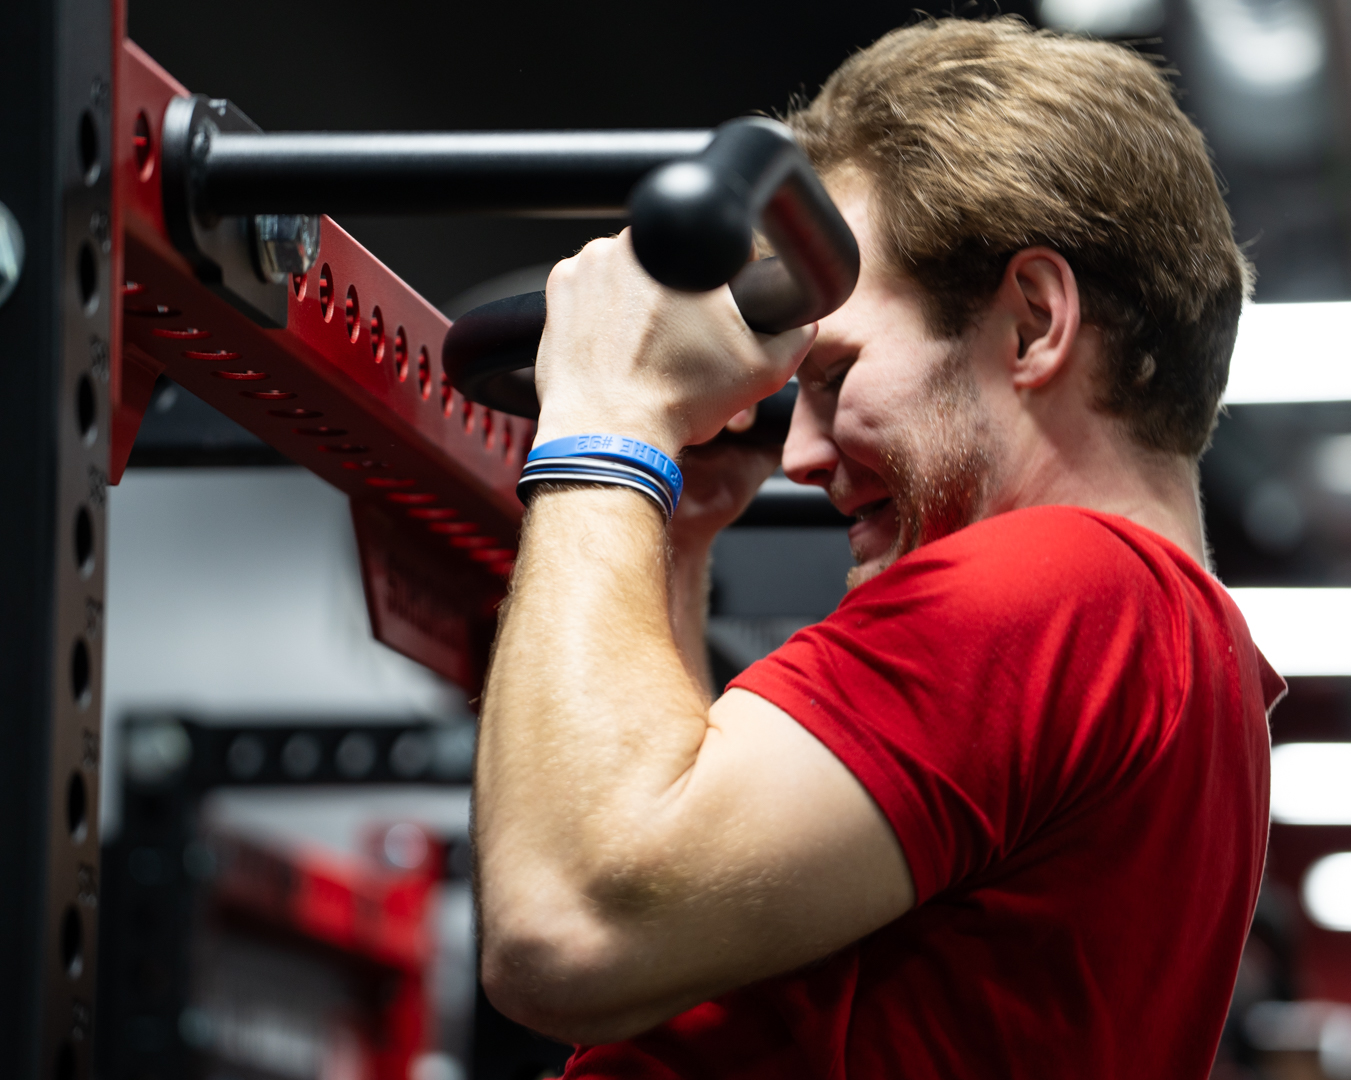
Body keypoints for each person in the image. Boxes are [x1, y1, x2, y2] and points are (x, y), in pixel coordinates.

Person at [473, 17, 1283, 1078]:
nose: (800, 454)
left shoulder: (1063, 589)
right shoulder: (1179, 654)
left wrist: (607, 412)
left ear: (1034, 322)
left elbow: (570, 926)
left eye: (833, 373)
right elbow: (677, 934)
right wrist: (668, 534)